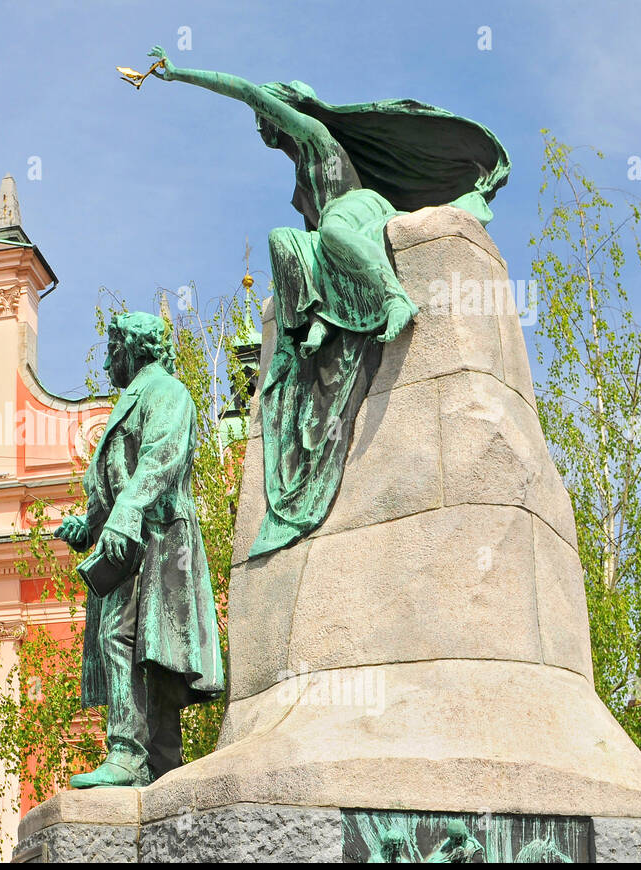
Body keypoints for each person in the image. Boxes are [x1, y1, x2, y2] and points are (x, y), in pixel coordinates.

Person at [142, 49, 510, 556]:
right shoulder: (301, 170)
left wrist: (180, 73)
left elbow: (245, 90)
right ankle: (314, 317)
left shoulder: (314, 135)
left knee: (332, 228)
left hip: (360, 211)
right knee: (280, 239)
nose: (261, 128)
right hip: (330, 240)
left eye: (264, 118)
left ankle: (394, 299)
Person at [55, 311, 224, 787]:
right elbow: (113, 479)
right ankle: (161, 765)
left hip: (158, 537)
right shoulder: (132, 399)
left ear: (133, 349)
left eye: (113, 350)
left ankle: (129, 753)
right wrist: (88, 524)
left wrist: (126, 512)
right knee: (148, 649)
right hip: (128, 540)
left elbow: (159, 459)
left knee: (127, 639)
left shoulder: (166, 391)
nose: (108, 362)